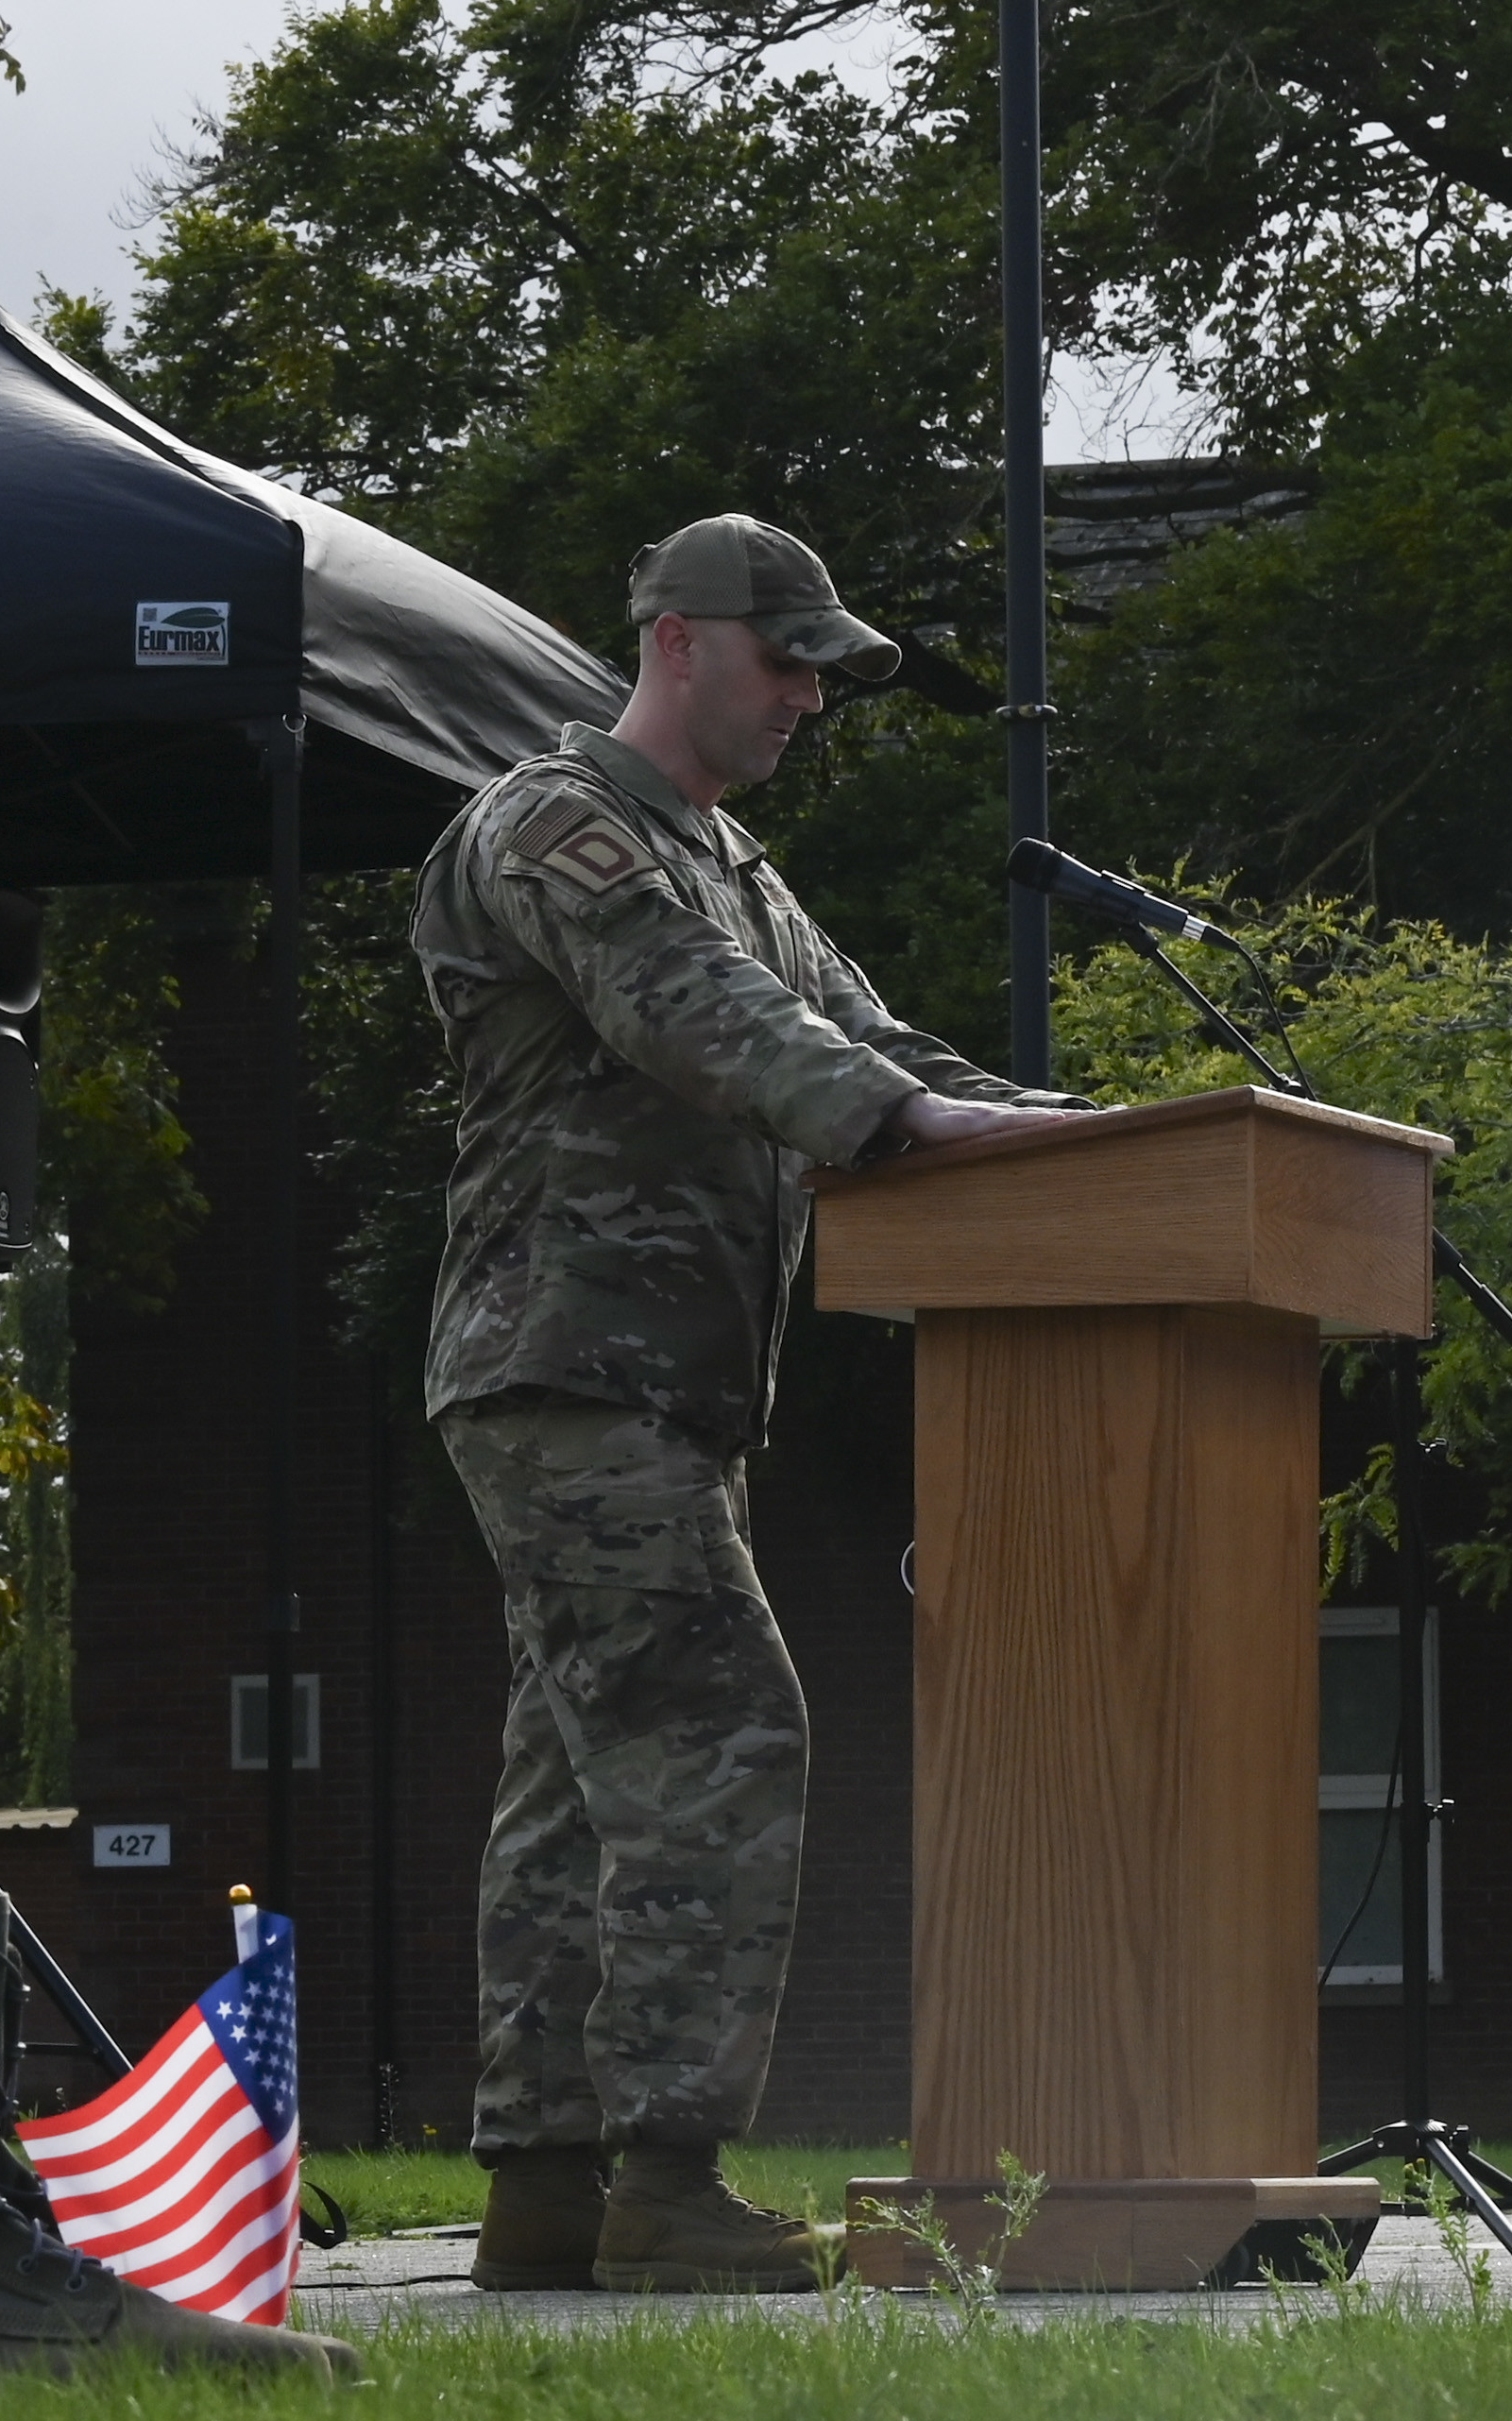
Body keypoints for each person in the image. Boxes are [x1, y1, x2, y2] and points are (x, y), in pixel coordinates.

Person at [418, 514, 1092, 2292]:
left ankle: (551, 2189)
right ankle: (669, 2179)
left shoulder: (743, 865)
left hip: (665, 1392)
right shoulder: (550, 826)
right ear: (674, 641)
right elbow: (699, 1016)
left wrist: (1104, 1143)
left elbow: (895, 1057)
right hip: (565, 1363)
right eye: (786, 654)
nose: (809, 691)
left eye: (820, 662)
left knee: (578, 1773)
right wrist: (910, 1123)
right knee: (725, 1722)